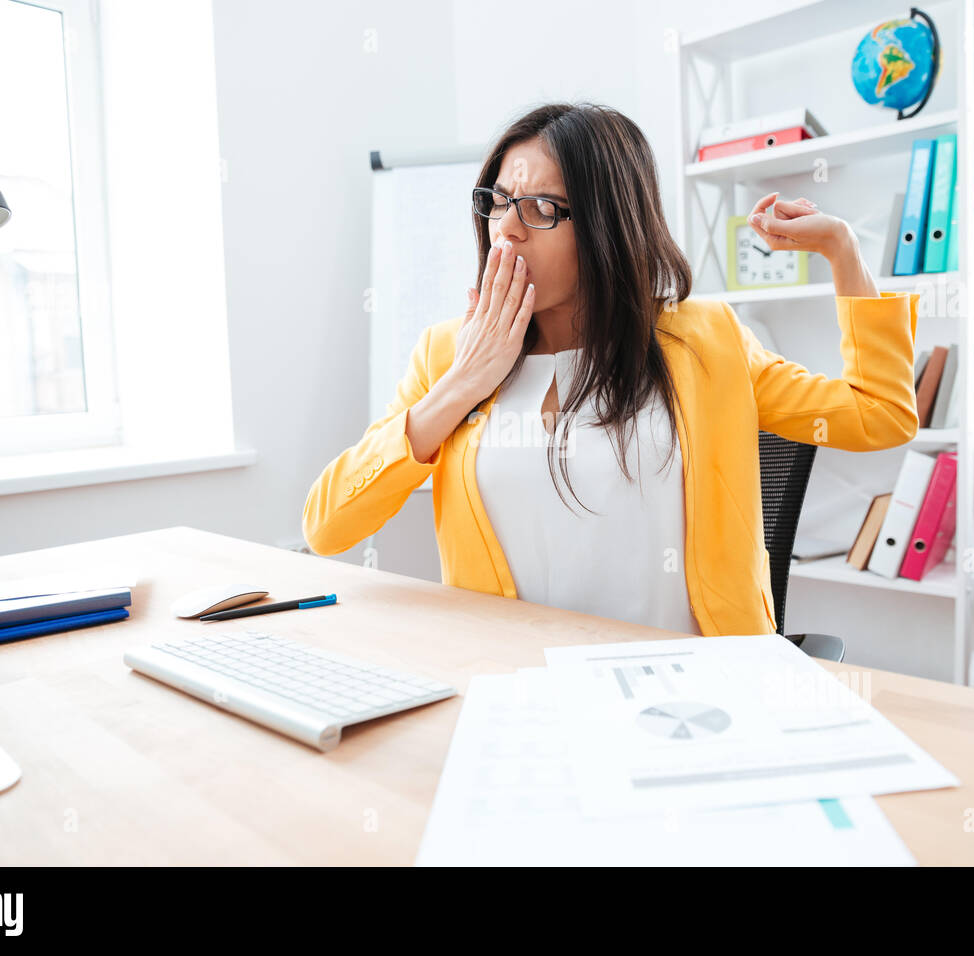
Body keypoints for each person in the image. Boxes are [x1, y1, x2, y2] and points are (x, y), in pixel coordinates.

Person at [303, 102, 919, 637]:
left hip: (693, 688)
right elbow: (327, 528)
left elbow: (880, 416)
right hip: (519, 687)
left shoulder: (704, 341)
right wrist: (464, 381)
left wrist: (843, 250)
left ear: (607, 226)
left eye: (543, 207)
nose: (508, 231)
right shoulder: (446, 354)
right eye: (498, 203)